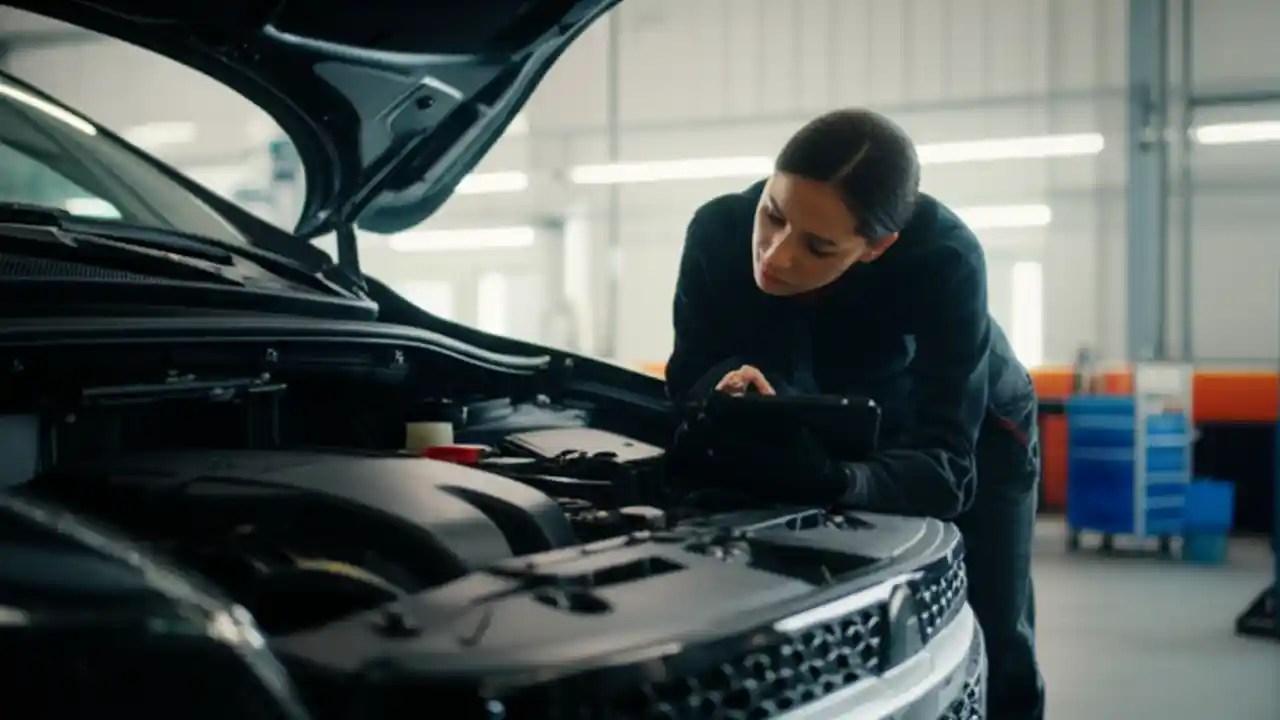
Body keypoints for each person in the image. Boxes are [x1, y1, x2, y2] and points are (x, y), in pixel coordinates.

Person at [665, 108, 1045, 719]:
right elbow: (687, 373)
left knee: (995, 625)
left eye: (818, 246)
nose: (776, 257)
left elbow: (948, 469)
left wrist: (838, 482)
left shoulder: (946, 260)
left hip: (976, 428)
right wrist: (720, 387)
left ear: (878, 247)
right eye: (773, 214)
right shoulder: (716, 231)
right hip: (829, 410)